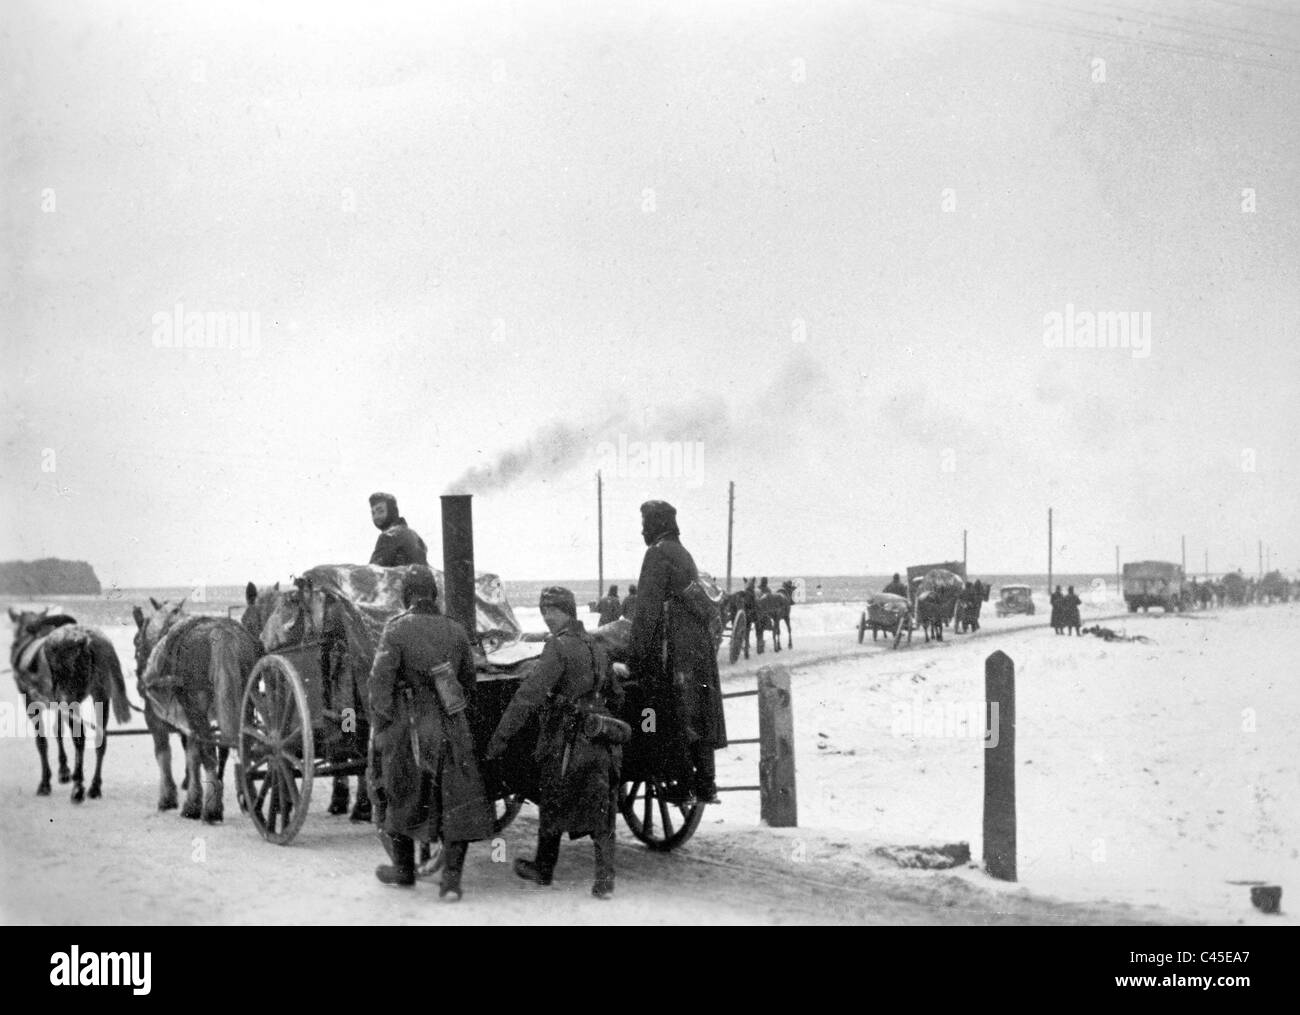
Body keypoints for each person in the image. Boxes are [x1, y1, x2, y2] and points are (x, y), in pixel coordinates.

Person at [486, 587, 623, 899]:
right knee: (603, 808)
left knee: (553, 798)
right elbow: (617, 693)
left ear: (568, 612)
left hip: (567, 740)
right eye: (543, 609)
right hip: (602, 738)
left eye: (553, 610)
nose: (547, 616)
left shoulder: (557, 647)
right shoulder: (597, 646)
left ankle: (544, 869)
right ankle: (604, 881)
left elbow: (528, 696)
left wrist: (500, 738)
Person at [368, 570, 494, 898]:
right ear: (434, 595)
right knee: (458, 801)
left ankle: (404, 870)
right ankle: (451, 881)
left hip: (411, 729)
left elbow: (378, 687)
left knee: (400, 793)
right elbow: (468, 683)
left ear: (406, 596)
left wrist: (385, 727)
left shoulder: (396, 629)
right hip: (453, 729)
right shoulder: (456, 629)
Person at [628, 500, 727, 804]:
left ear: (656, 525)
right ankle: (706, 783)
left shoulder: (656, 553)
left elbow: (647, 611)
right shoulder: (684, 553)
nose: (642, 529)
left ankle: (682, 784)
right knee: (699, 714)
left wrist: (636, 654)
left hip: (675, 650)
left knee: (668, 712)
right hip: (698, 650)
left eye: (646, 523)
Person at [368, 492, 429, 567]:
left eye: (381, 511)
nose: (376, 517)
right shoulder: (414, 535)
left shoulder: (389, 536)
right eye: (373, 513)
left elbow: (373, 572)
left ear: (392, 511)